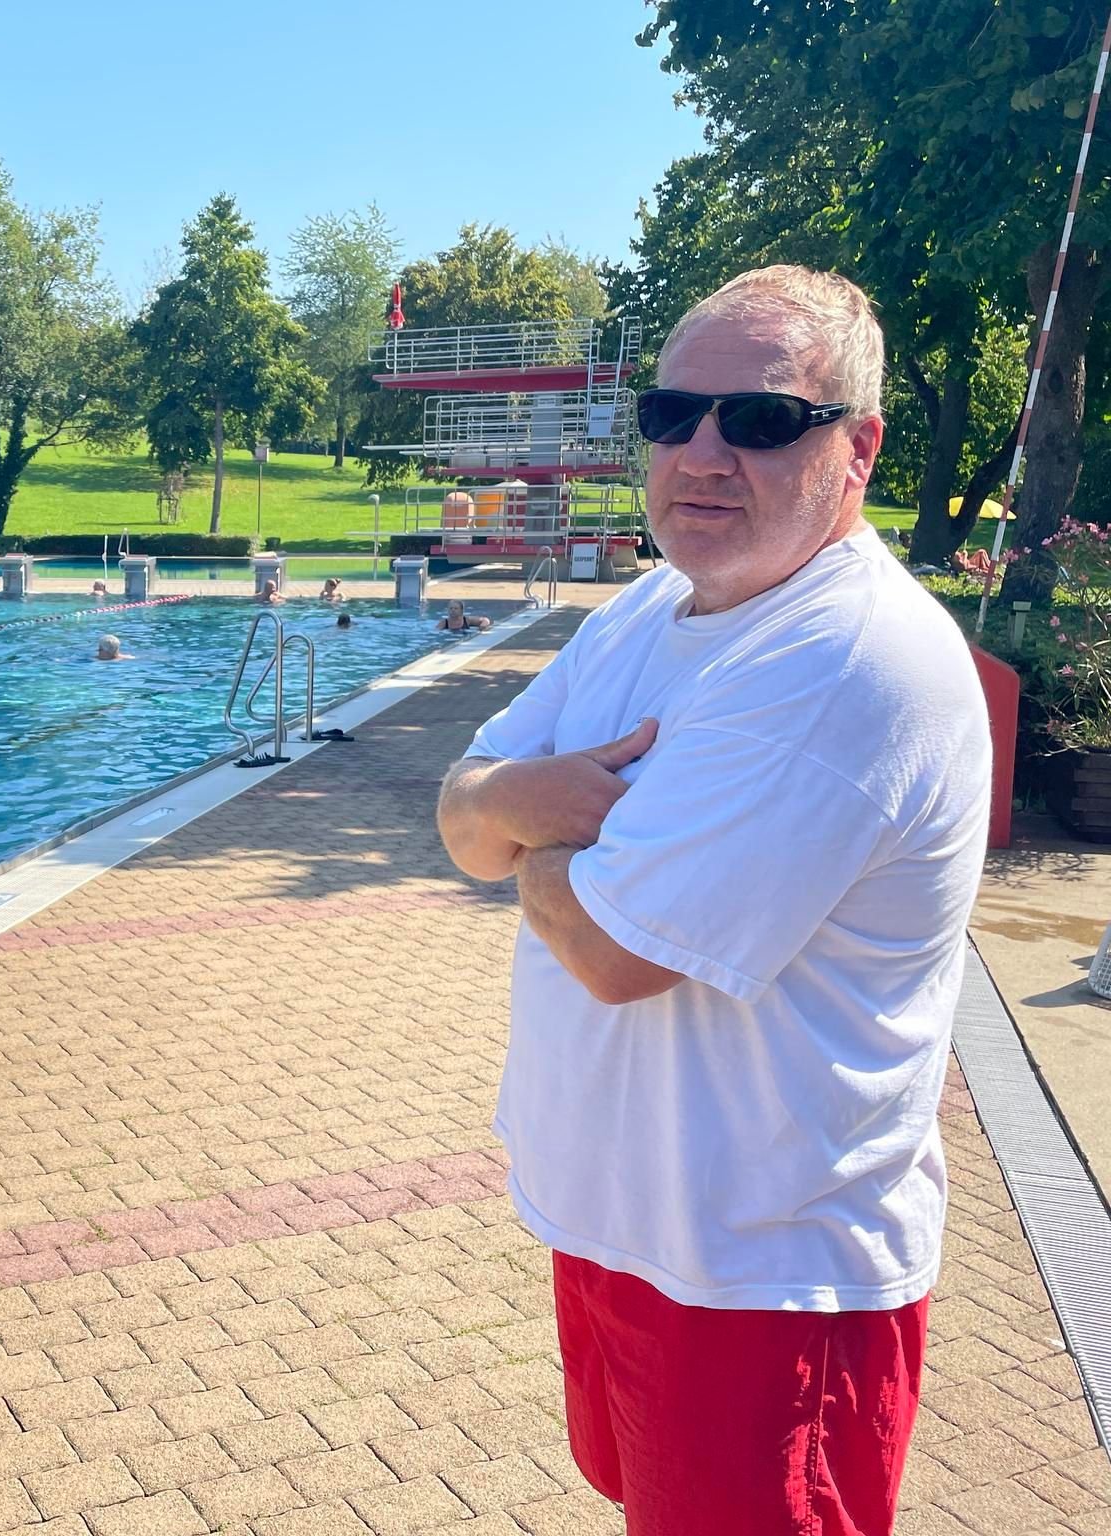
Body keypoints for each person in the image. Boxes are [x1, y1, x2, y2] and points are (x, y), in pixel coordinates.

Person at [435, 266, 989, 1534]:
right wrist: (526, 810)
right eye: (671, 413)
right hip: (622, 1226)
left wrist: (525, 827)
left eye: (760, 420)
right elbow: (460, 824)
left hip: (761, 1279)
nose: (700, 452)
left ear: (857, 448)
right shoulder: (649, 608)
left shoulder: (846, 658)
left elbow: (612, 954)